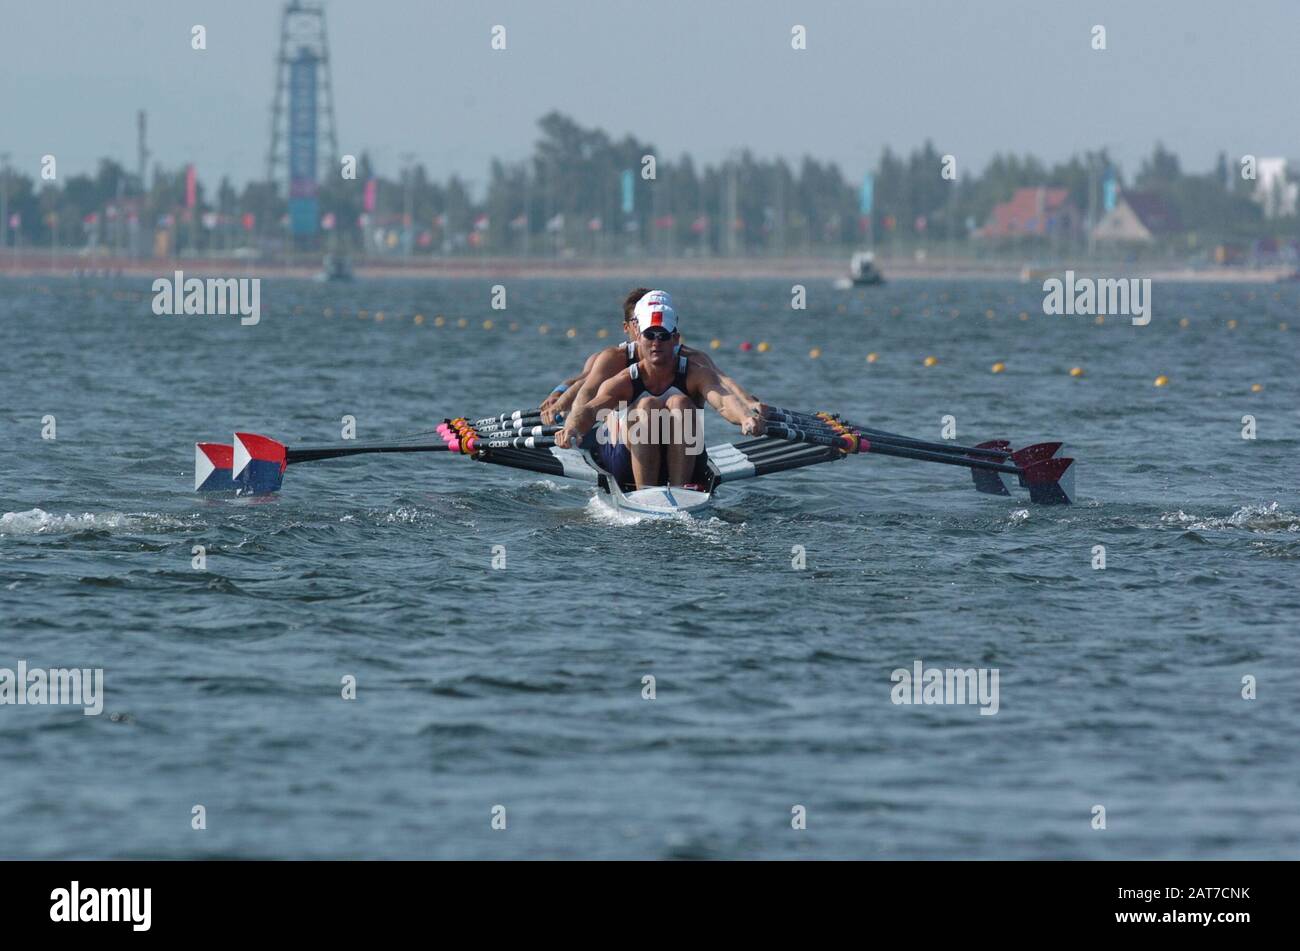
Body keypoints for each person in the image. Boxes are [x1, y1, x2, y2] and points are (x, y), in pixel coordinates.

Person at [554, 293, 765, 489]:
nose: (656, 342)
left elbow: (723, 400)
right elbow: (590, 409)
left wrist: (745, 418)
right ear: (638, 336)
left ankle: (680, 490)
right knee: (646, 406)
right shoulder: (623, 379)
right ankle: (646, 492)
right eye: (650, 335)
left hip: (685, 459)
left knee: (680, 403)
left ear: (676, 339)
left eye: (663, 335)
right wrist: (572, 427)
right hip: (628, 464)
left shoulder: (697, 372)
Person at [539, 287, 761, 425]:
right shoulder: (614, 358)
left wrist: (748, 405)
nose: (654, 336)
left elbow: (723, 383)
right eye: (640, 324)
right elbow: (584, 384)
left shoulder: (692, 359)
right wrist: (562, 409)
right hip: (627, 437)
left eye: (662, 331)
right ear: (629, 327)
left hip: (680, 440)